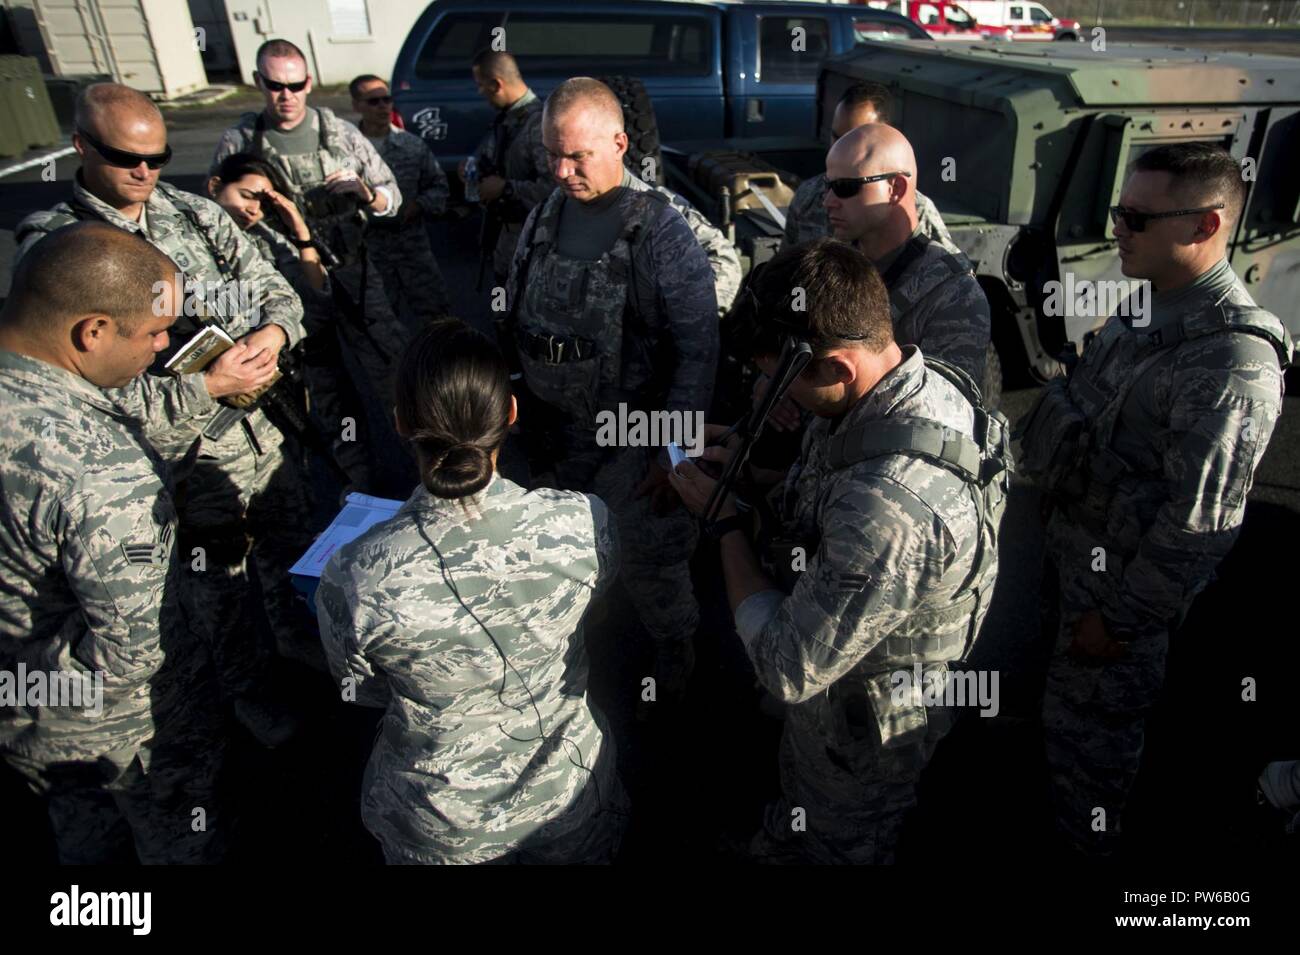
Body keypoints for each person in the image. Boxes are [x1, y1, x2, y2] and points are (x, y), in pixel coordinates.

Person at [671, 239, 1010, 864]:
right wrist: (756, 481)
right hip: (856, 645)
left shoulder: (889, 508)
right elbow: (832, 479)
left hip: (860, 729)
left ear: (837, 367)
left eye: (780, 385)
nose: (774, 402)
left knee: (836, 838)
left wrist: (724, 526)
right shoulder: (911, 382)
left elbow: (786, 667)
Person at [1019, 142, 1291, 857]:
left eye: (1137, 217)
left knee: (1092, 762)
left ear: (1205, 225)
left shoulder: (1234, 363)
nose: (1119, 230)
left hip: (1114, 605)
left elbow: (1199, 524)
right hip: (1072, 563)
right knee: (1054, 730)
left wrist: (1118, 619)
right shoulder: (1146, 305)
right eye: (1119, 211)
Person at [15, 83, 307, 745]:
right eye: (126, 157)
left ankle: (296, 643)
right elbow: (77, 396)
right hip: (173, 465)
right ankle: (247, 693)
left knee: (288, 549)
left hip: (259, 438)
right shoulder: (57, 250)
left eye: (157, 155)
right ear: (81, 147)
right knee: (215, 595)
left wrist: (275, 335)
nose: (145, 171)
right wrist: (204, 388)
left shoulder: (193, 213)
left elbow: (273, 287)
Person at [316, 320, 627, 864]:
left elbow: (361, 689)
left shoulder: (357, 574)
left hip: (442, 823)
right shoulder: (584, 521)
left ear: (400, 423)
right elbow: (593, 610)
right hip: (568, 794)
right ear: (510, 412)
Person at [0, 223, 229, 863]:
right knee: (182, 837)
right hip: (124, 731)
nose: (164, 349)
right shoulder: (98, 469)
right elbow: (134, 649)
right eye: (155, 333)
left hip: (23, 714)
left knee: (82, 845)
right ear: (91, 332)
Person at [499, 77, 719, 705]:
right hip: (552, 439)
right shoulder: (544, 217)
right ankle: (575, 657)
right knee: (559, 564)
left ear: (619, 143)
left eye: (577, 156)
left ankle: (675, 659)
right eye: (552, 156)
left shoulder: (659, 231)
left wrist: (672, 456)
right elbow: (514, 317)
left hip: (633, 446)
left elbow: (697, 351)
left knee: (653, 566)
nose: (562, 170)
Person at [210, 37, 414, 497]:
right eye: (276, 85)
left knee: (395, 371)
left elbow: (390, 196)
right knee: (326, 389)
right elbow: (217, 216)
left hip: (354, 275)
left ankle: (427, 469)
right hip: (289, 287)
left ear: (309, 83)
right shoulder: (240, 142)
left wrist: (365, 193)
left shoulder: (338, 133)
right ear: (260, 83)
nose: (286, 96)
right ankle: (358, 484)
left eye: (296, 85)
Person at [206, 152, 376, 512]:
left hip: (307, 360)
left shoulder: (271, 238)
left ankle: (358, 508)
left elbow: (319, 297)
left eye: (264, 201)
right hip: (238, 377)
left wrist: (300, 233)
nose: (253, 210)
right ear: (215, 187)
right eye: (247, 195)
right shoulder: (196, 244)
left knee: (347, 439)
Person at [824, 123, 991, 388]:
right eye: (828, 185)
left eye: (845, 187)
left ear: (896, 188)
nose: (828, 201)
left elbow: (944, 409)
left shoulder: (953, 296)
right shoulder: (834, 263)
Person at [782, 83, 956, 255]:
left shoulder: (916, 209)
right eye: (836, 136)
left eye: (855, 138)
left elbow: (948, 271)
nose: (840, 147)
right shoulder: (808, 198)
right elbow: (787, 269)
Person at [351, 73, 452, 325]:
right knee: (379, 323)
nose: (383, 106)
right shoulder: (345, 151)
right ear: (356, 106)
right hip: (370, 251)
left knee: (437, 317)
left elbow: (439, 187)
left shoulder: (411, 145)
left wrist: (418, 206)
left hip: (412, 247)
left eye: (387, 99)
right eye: (373, 101)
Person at [462, 50, 553, 288]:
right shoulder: (508, 119)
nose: (479, 92)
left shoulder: (540, 125)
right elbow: (491, 158)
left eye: (481, 85)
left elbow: (557, 189)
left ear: (496, 84)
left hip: (533, 245)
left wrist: (507, 188)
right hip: (507, 241)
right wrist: (472, 168)